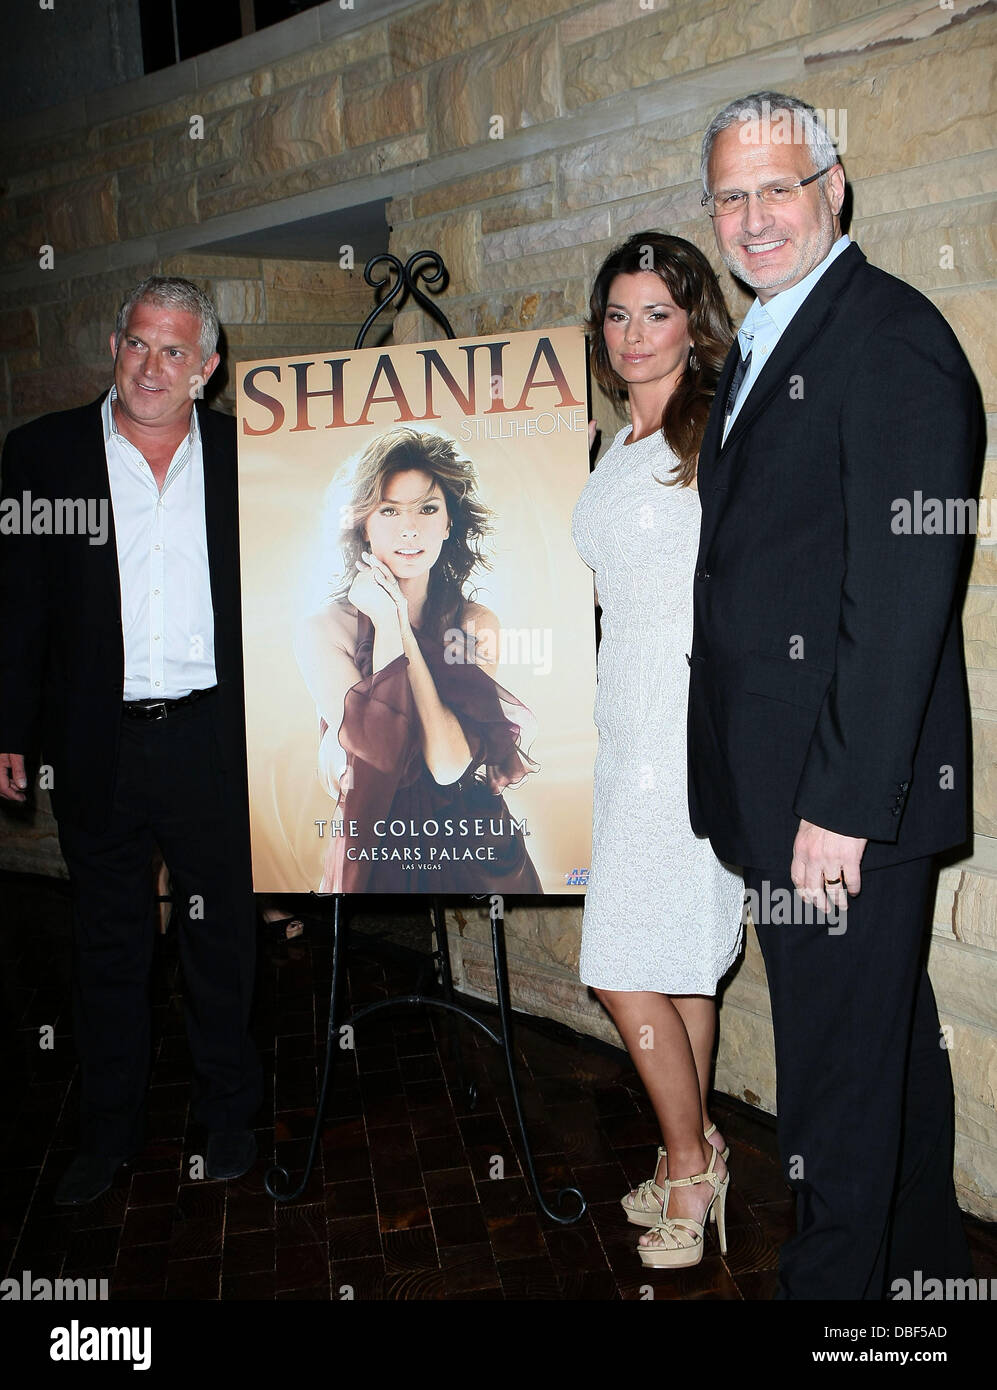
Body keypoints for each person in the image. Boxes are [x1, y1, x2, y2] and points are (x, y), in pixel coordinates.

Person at [689, 91, 980, 1298]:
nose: (754, 217)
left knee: (831, 1096)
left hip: (838, 807)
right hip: (791, 792)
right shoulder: (770, 334)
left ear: (833, 186)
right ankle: (918, 1292)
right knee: (882, 1059)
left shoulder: (890, 337)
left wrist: (843, 806)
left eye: (779, 187)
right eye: (731, 196)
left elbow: (902, 596)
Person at [0, 276, 262, 1204]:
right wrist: (10, 728)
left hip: (211, 740)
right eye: (138, 344)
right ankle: (107, 1133)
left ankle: (230, 1115)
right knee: (107, 944)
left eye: (174, 350)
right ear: (116, 348)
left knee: (220, 940)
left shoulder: (248, 456)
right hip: (95, 745)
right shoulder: (42, 454)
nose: (152, 366)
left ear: (207, 367)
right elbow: (18, 602)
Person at [571, 232, 744, 1269]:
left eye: (657, 314)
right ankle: (697, 1146)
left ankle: (689, 1163)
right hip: (623, 722)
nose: (634, 334)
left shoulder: (717, 429)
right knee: (678, 965)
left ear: (693, 323)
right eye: (617, 314)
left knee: (619, 962)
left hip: (688, 727)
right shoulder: (616, 444)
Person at [295, 427, 542, 895]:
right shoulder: (323, 630)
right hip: (376, 849)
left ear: (449, 523)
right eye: (389, 510)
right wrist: (385, 624)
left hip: (473, 850)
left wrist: (399, 626)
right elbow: (386, 756)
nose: (410, 529)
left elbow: (447, 766)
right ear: (363, 524)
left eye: (427, 509)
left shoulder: (474, 625)